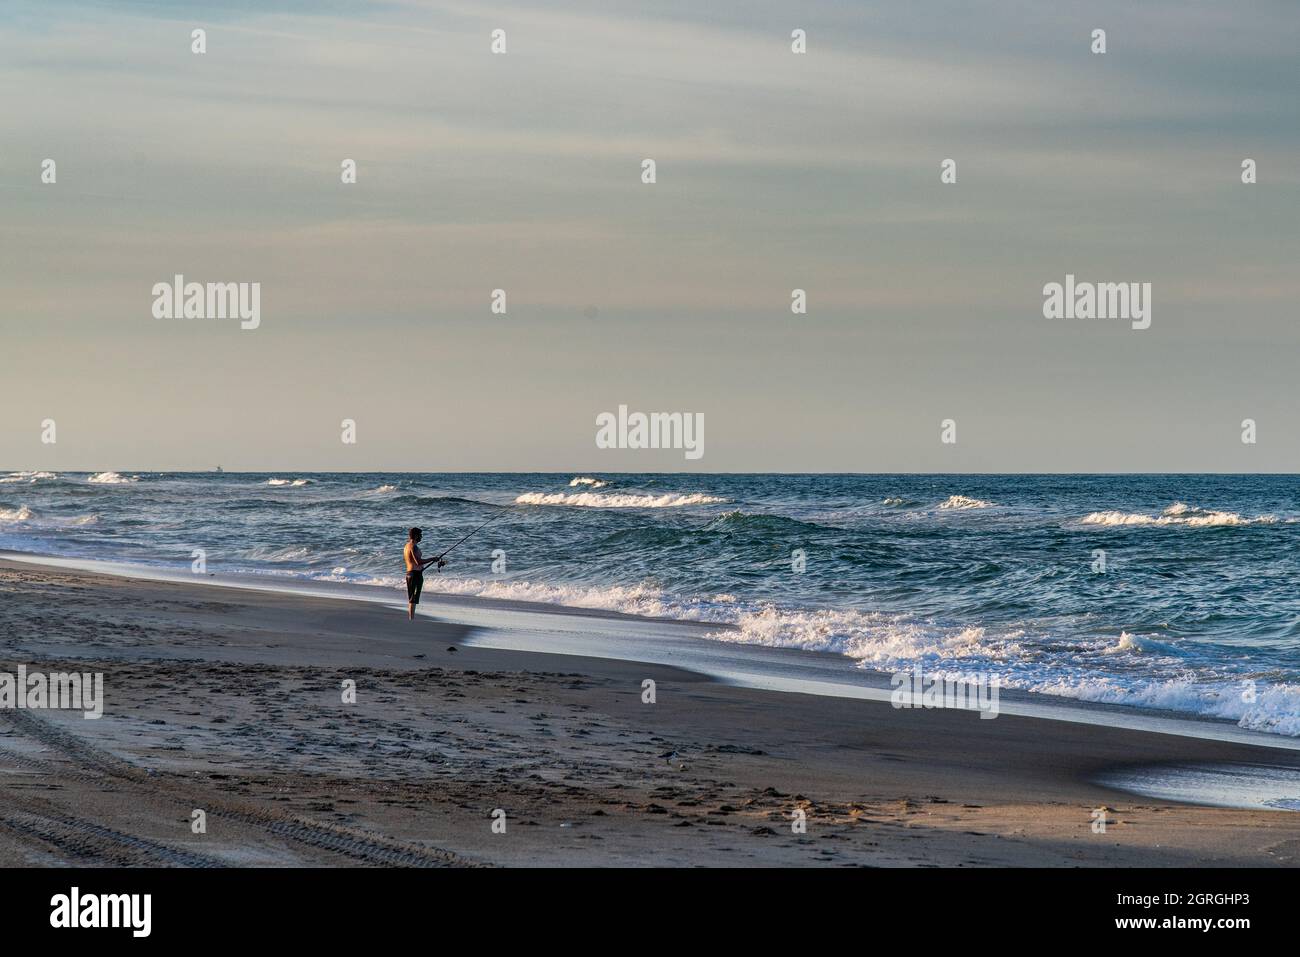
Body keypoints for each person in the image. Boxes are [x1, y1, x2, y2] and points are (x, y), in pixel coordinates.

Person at [403, 527, 444, 620]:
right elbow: (418, 562)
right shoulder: (413, 546)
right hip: (415, 575)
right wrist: (432, 559)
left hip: (410, 573)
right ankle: (411, 619)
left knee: (412, 598)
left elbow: (413, 562)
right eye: (420, 535)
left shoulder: (406, 546)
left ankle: (411, 618)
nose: (422, 537)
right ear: (416, 536)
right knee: (413, 599)